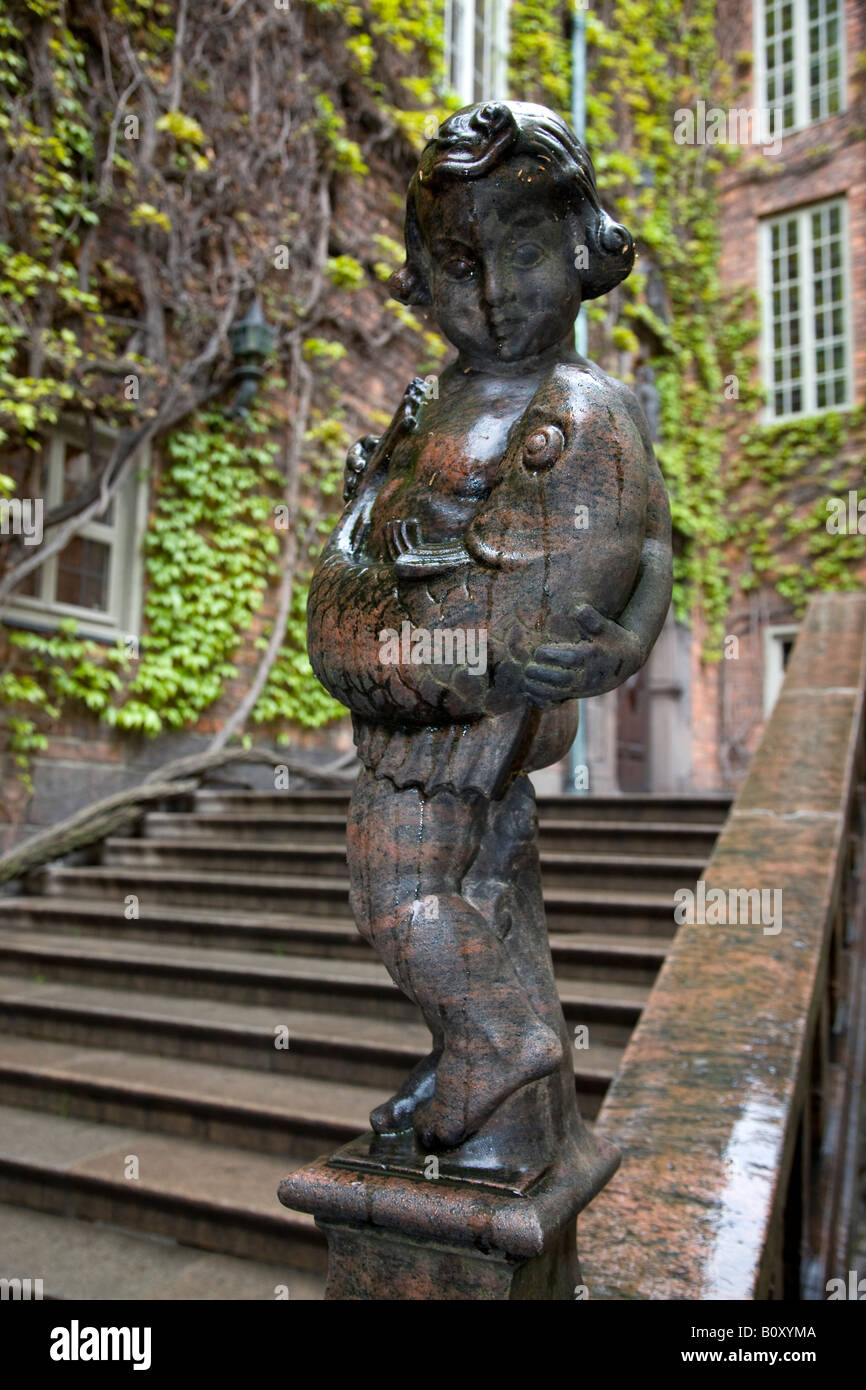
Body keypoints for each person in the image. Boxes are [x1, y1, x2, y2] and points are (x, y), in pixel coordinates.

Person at [306, 101, 672, 1152]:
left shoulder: (583, 411)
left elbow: (638, 549)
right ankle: (485, 1062)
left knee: (394, 891)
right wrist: (367, 572)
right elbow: (360, 543)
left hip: (461, 716)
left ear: (578, 243)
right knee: (482, 886)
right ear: (423, 271)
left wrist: (625, 639)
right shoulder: (430, 401)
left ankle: (498, 1039)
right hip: (427, 689)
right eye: (457, 261)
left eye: (521, 251)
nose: (494, 295)